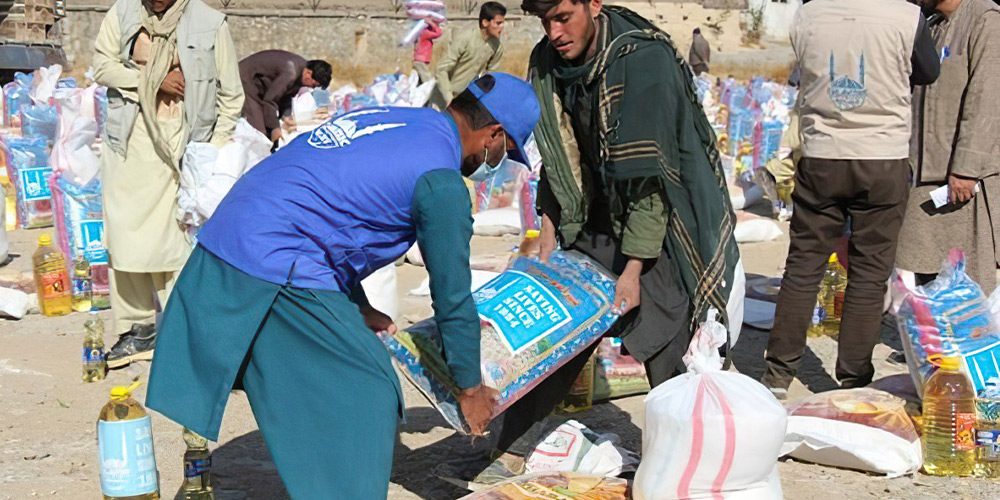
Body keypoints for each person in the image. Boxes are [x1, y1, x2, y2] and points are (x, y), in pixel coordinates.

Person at [145, 73, 541, 498]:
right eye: (506, 151)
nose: (497, 160)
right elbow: (452, 293)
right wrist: (469, 389)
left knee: (328, 366)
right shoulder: (441, 180)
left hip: (233, 235)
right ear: (493, 135)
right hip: (274, 260)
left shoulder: (398, 120)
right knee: (368, 389)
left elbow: (331, 204)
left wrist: (358, 305)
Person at [487, 0, 741, 468]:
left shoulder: (643, 61)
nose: (555, 32)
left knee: (664, 326)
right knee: (562, 318)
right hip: (592, 208)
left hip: (661, 209)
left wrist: (632, 271)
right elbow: (557, 157)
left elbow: (651, 184)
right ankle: (510, 447)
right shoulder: (547, 61)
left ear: (594, 5)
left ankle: (687, 457)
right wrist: (547, 227)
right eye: (546, 22)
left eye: (564, 17)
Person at [762, 0, 940, 398]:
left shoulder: (808, 14)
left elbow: (803, 72)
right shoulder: (906, 16)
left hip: (823, 154)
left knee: (804, 264)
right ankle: (853, 376)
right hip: (882, 157)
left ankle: (777, 374)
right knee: (869, 272)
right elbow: (928, 71)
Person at [93, 0, 244, 368]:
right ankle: (138, 329)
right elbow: (103, 67)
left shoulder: (210, 22)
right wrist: (153, 79)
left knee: (178, 239)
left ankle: (187, 332)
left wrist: (214, 147)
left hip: (184, 142)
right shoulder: (124, 13)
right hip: (130, 137)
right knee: (126, 235)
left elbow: (231, 94)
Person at [896, 0, 1000, 290]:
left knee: (966, 282)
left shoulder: (986, 19)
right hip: (922, 176)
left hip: (961, 180)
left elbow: (988, 99)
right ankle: (931, 336)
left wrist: (967, 169)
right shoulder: (931, 24)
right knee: (921, 271)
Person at [238, 50, 333, 142]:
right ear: (308, 74)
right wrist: (275, 128)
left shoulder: (302, 72)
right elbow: (269, 101)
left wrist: (286, 116)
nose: (310, 88)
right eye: (312, 85)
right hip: (245, 78)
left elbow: (286, 95)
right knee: (259, 130)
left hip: (258, 85)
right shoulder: (290, 73)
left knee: (269, 125)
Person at [434, 1, 506, 105]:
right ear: (485, 22)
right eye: (498, 23)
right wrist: (448, 97)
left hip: (465, 101)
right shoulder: (465, 38)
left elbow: (492, 75)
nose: (502, 27)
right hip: (443, 98)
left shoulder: (496, 46)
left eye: (503, 23)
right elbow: (441, 69)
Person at [413, 18, 444, 84]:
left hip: (418, 58)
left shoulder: (419, 31)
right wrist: (432, 23)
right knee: (427, 80)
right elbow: (439, 33)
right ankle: (432, 92)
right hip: (420, 60)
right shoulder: (425, 32)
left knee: (417, 79)